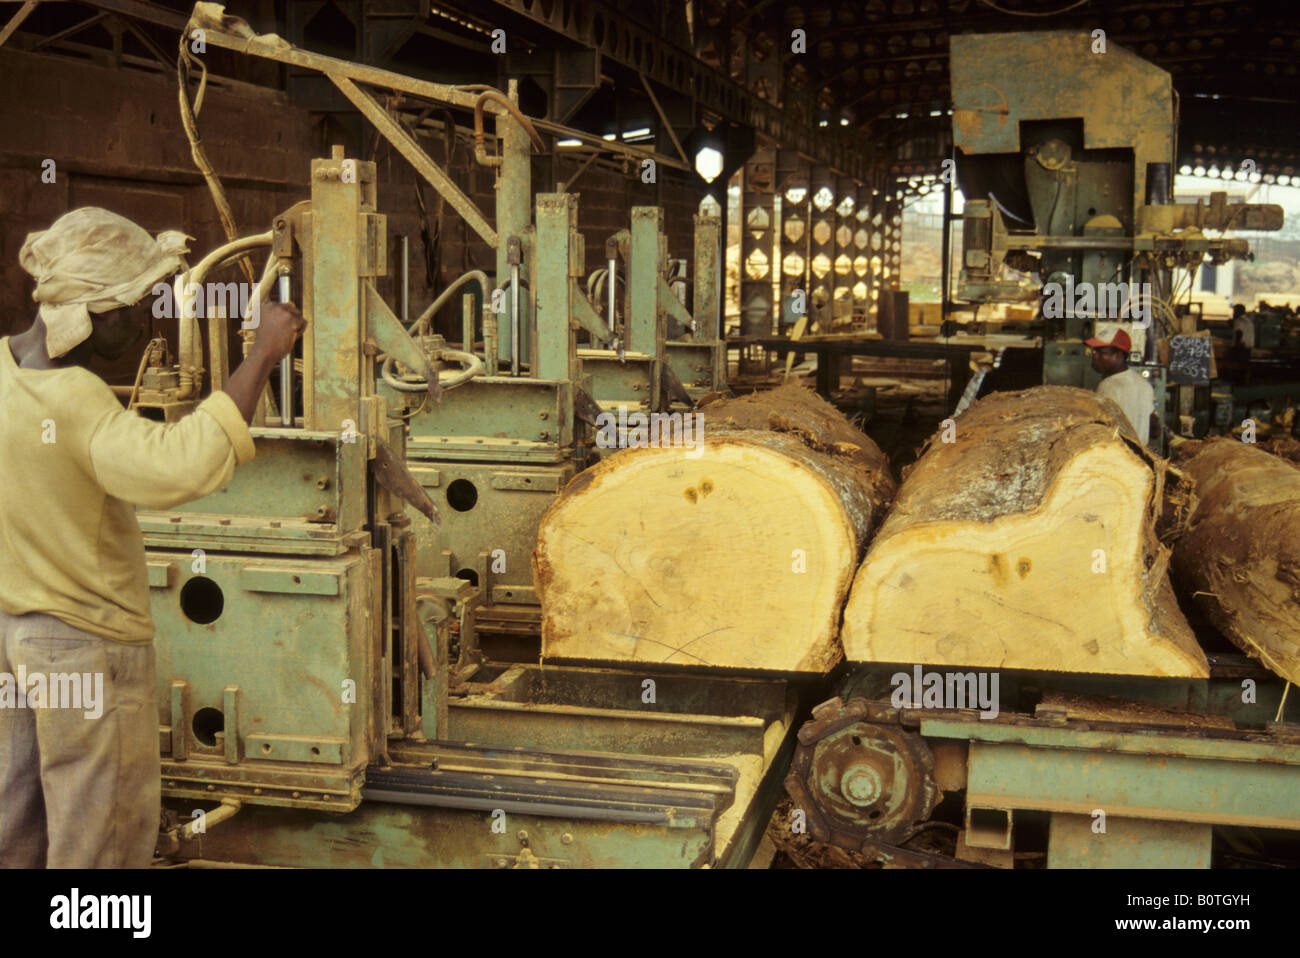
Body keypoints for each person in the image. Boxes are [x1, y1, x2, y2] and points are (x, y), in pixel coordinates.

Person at [0, 208, 304, 868]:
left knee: (16, 823)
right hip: (83, 645)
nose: (147, 321)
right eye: (138, 306)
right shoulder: (75, 398)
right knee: (98, 834)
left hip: (12, 638)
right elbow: (176, 465)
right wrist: (261, 357)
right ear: (100, 311)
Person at [1084, 327, 1155, 445]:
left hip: (1116, 455)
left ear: (1119, 355)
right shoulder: (1144, 384)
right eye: (1094, 351)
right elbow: (1155, 429)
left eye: (1101, 353)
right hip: (1139, 457)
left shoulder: (1109, 386)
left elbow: (1100, 429)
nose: (1094, 356)